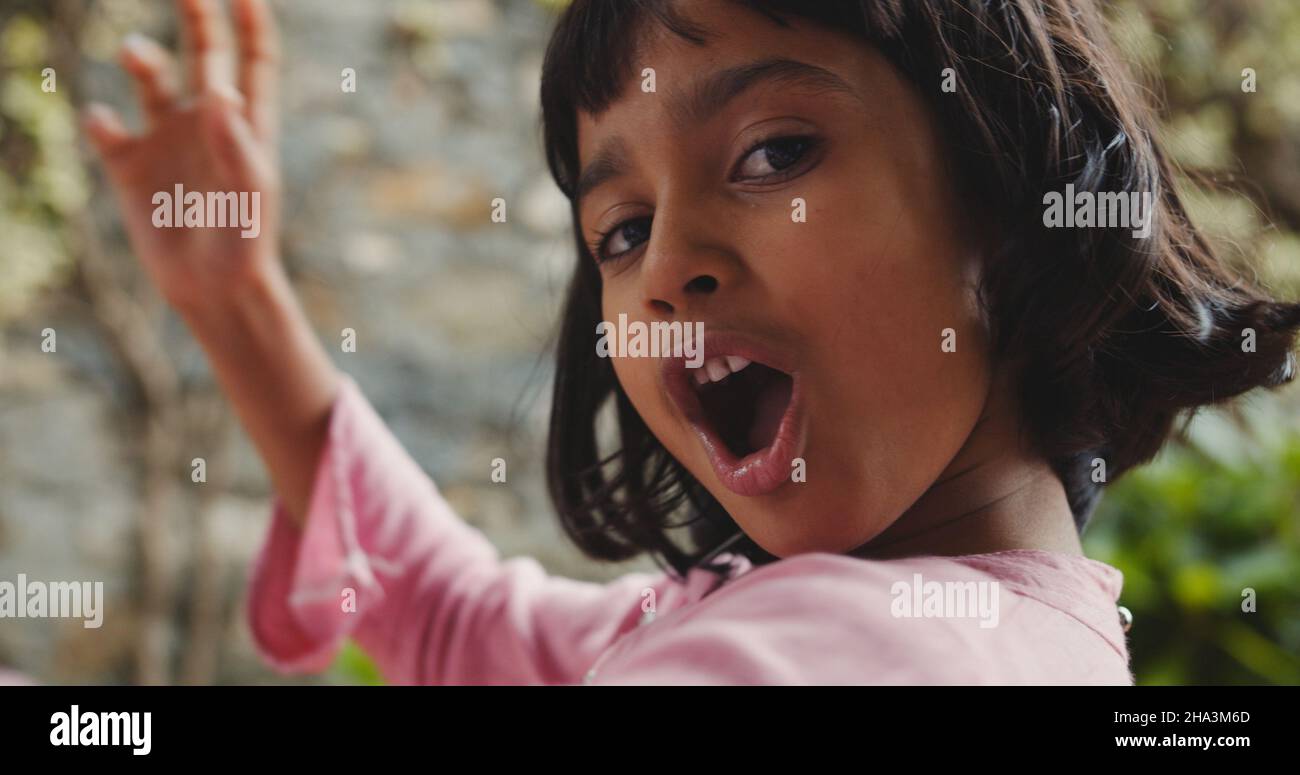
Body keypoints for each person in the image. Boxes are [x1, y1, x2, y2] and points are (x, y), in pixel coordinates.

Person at [83, 0, 1300, 684]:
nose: (667, 265)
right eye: (619, 229)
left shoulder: (873, 658)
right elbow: (450, 620)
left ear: (1006, 191)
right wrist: (231, 296)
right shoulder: (854, 619)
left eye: (774, 154)